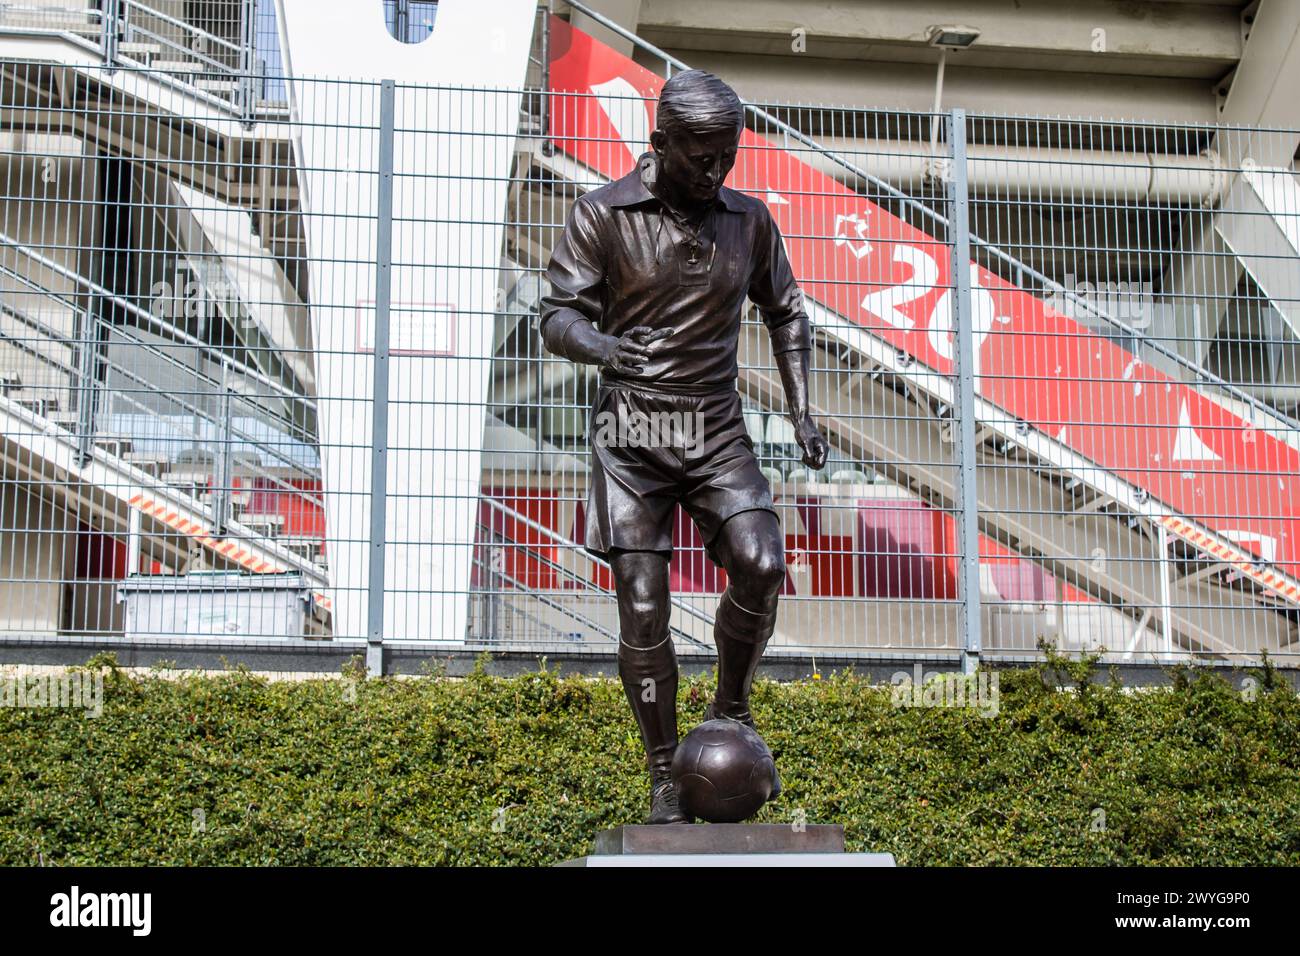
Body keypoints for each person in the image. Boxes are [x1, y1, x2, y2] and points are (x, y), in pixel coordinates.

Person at [539, 69, 829, 824]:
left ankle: (732, 710)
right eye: (699, 156)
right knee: (642, 607)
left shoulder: (750, 221)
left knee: (763, 563)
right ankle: (666, 770)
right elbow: (556, 316)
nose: (714, 171)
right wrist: (603, 347)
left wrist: (802, 411)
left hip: (716, 429)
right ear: (660, 143)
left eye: (726, 156)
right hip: (631, 433)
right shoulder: (601, 215)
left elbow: (787, 312)